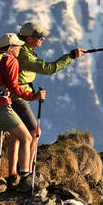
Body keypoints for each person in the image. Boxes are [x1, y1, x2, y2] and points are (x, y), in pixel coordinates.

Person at [0, 33, 46, 195]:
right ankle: (26, 177)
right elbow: (14, 87)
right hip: (0, 106)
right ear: (11, 47)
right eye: (18, 46)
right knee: (26, 137)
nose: (20, 48)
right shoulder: (10, 60)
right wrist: (33, 96)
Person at [12, 21, 87, 169]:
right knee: (34, 133)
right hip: (17, 97)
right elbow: (48, 69)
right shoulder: (23, 54)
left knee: (17, 136)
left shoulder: (20, 48)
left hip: (15, 95)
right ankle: (25, 172)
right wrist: (70, 57)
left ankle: (14, 173)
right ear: (29, 38)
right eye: (40, 36)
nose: (43, 39)